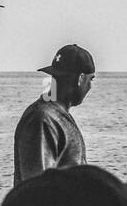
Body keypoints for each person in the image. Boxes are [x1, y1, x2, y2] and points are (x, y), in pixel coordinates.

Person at [12, 43, 94, 185]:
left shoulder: (56, 116)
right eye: (91, 79)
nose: (90, 86)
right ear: (80, 79)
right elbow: (37, 188)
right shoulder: (42, 119)